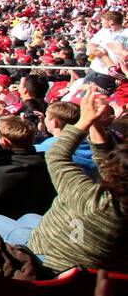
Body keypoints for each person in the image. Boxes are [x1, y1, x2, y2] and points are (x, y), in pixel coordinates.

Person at [26, 90, 128, 272]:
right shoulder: (115, 198)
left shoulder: (92, 201)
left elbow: (56, 156)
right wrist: (95, 126)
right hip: (96, 271)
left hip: (46, 260)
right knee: (28, 218)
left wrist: (84, 122)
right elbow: (107, 167)